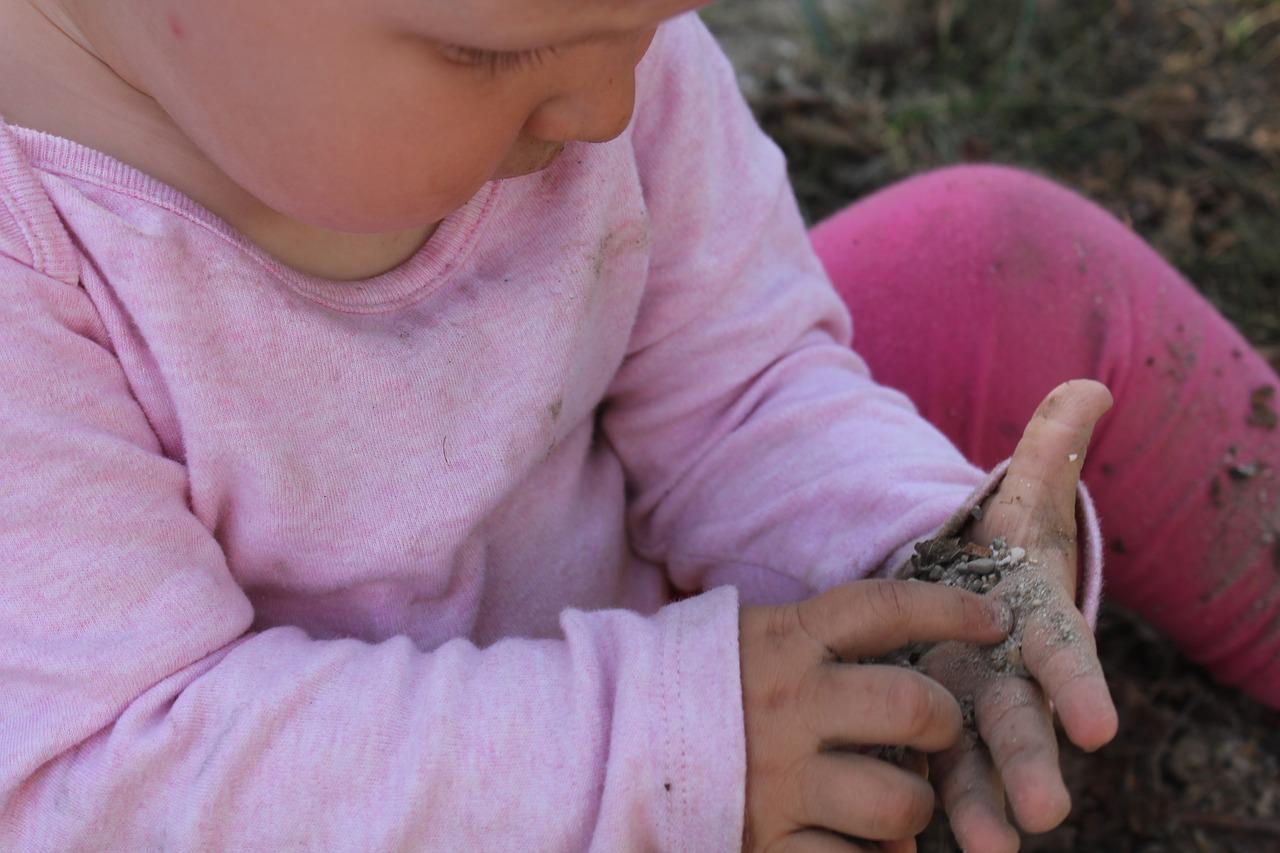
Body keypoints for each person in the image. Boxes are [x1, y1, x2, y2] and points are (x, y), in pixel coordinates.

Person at [0, 1, 1273, 851]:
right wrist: (664, 754)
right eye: (482, 56)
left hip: (682, 675)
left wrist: (914, 564)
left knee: (992, 255)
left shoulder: (578, 45)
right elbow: (111, 779)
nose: (609, 107)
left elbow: (732, 395)